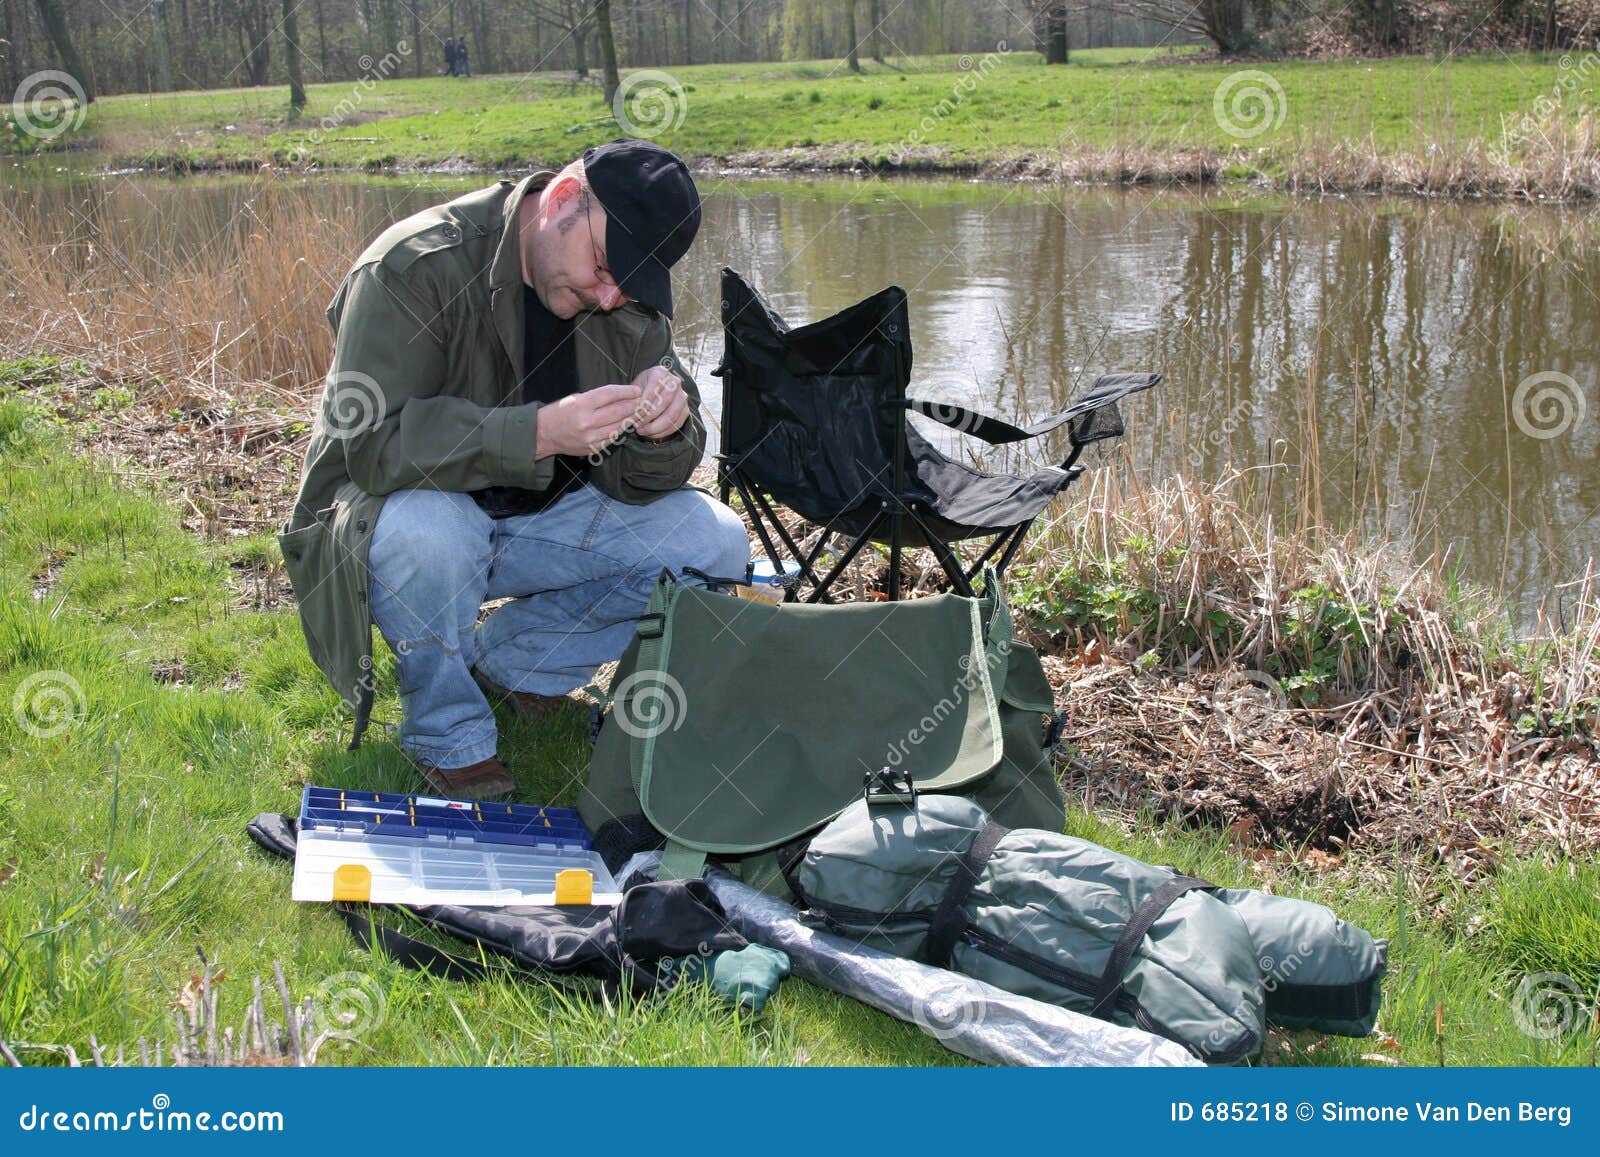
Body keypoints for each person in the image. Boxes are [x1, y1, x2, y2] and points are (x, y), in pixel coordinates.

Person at [279, 140, 750, 799]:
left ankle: (514, 664)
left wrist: (665, 428)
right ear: (562, 200)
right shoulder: (416, 265)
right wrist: (538, 433)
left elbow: (653, 475)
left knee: (717, 544)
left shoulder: (624, 303)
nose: (610, 296)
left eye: (631, 282)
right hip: (410, 518)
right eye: (604, 266)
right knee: (430, 532)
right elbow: (372, 446)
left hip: (540, 529)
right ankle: (448, 735)